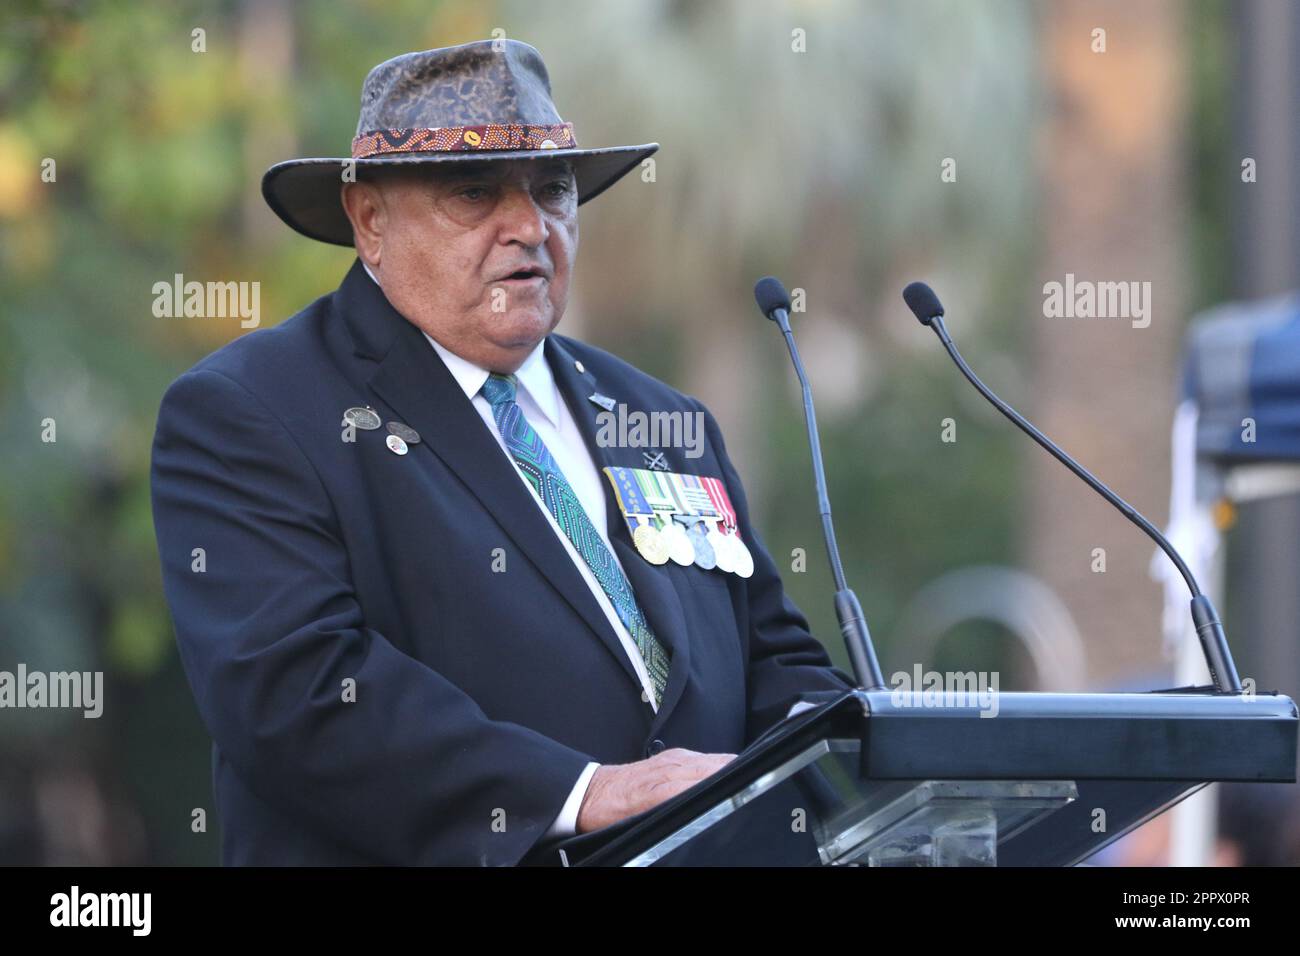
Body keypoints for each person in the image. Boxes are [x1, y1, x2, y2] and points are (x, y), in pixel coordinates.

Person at [150, 38, 855, 866]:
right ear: (369, 220)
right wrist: (584, 792)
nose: (529, 226)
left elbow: (771, 659)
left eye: (553, 190)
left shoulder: (660, 418)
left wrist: (879, 760)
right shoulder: (256, 409)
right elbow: (297, 695)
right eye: (475, 192)